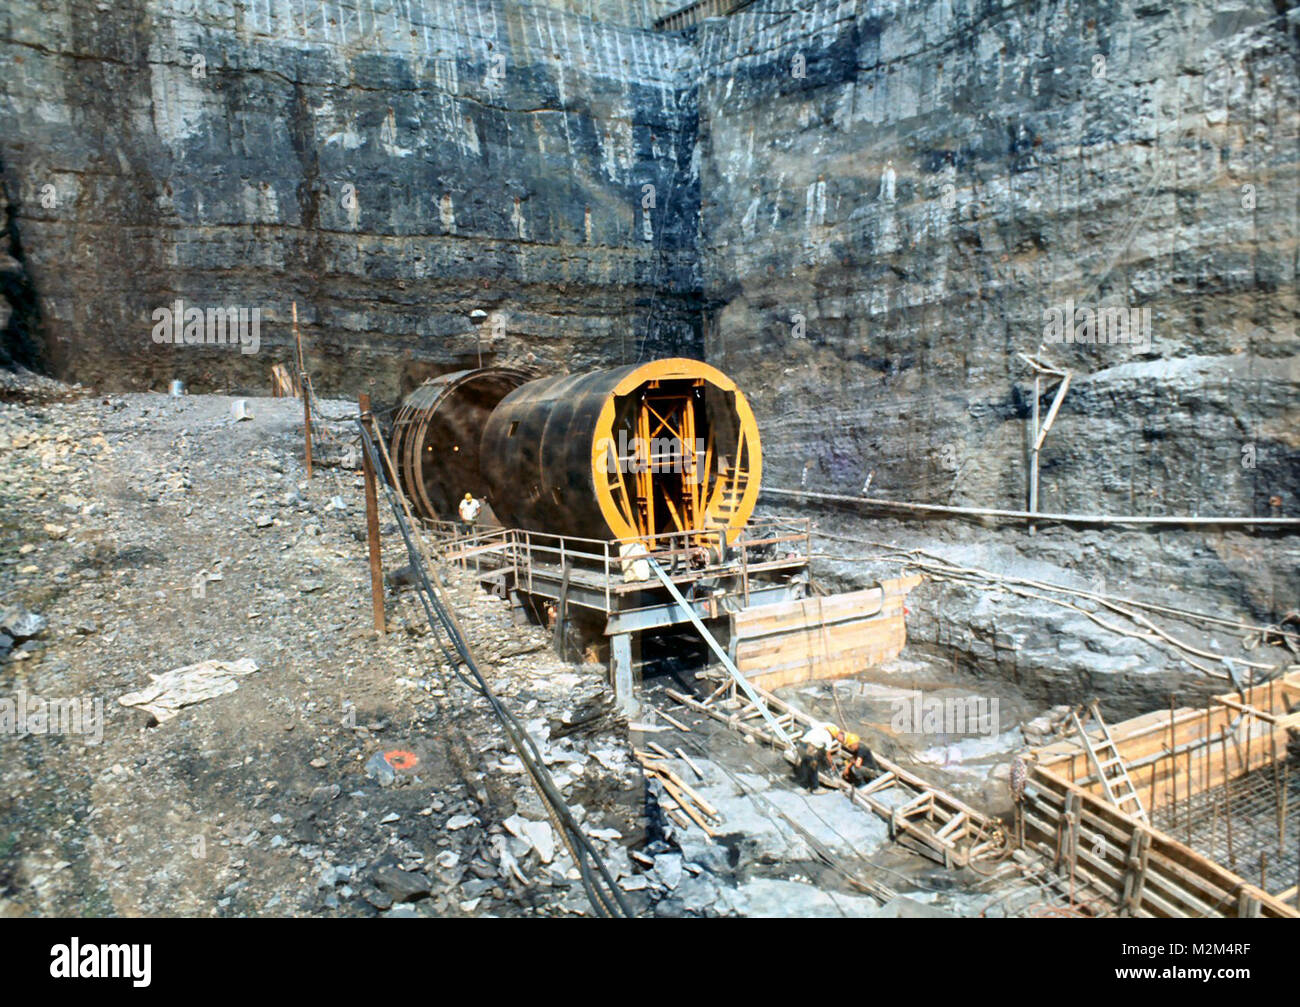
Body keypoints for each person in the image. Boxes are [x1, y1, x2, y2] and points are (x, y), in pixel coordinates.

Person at [795, 721, 836, 791]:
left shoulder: (818, 730)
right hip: (808, 748)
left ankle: (803, 783)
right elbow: (828, 754)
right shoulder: (828, 737)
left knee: (805, 764)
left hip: (800, 746)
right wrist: (831, 765)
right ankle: (815, 787)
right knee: (814, 767)